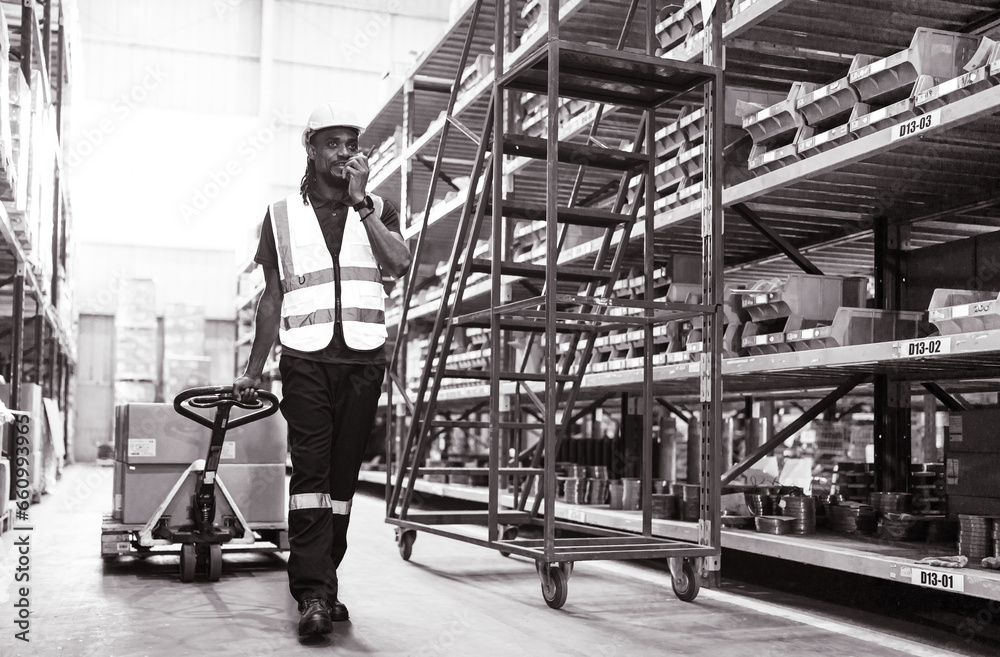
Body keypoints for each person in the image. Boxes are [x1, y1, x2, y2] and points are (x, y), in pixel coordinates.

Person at [233, 102, 411, 637]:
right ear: (310, 148)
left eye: (350, 144)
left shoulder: (380, 208)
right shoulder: (279, 216)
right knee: (310, 475)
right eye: (332, 143)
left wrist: (363, 206)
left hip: (362, 361)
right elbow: (271, 297)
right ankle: (311, 593)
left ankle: (325, 583)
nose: (343, 153)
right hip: (306, 360)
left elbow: (399, 264)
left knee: (341, 483)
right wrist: (253, 369)